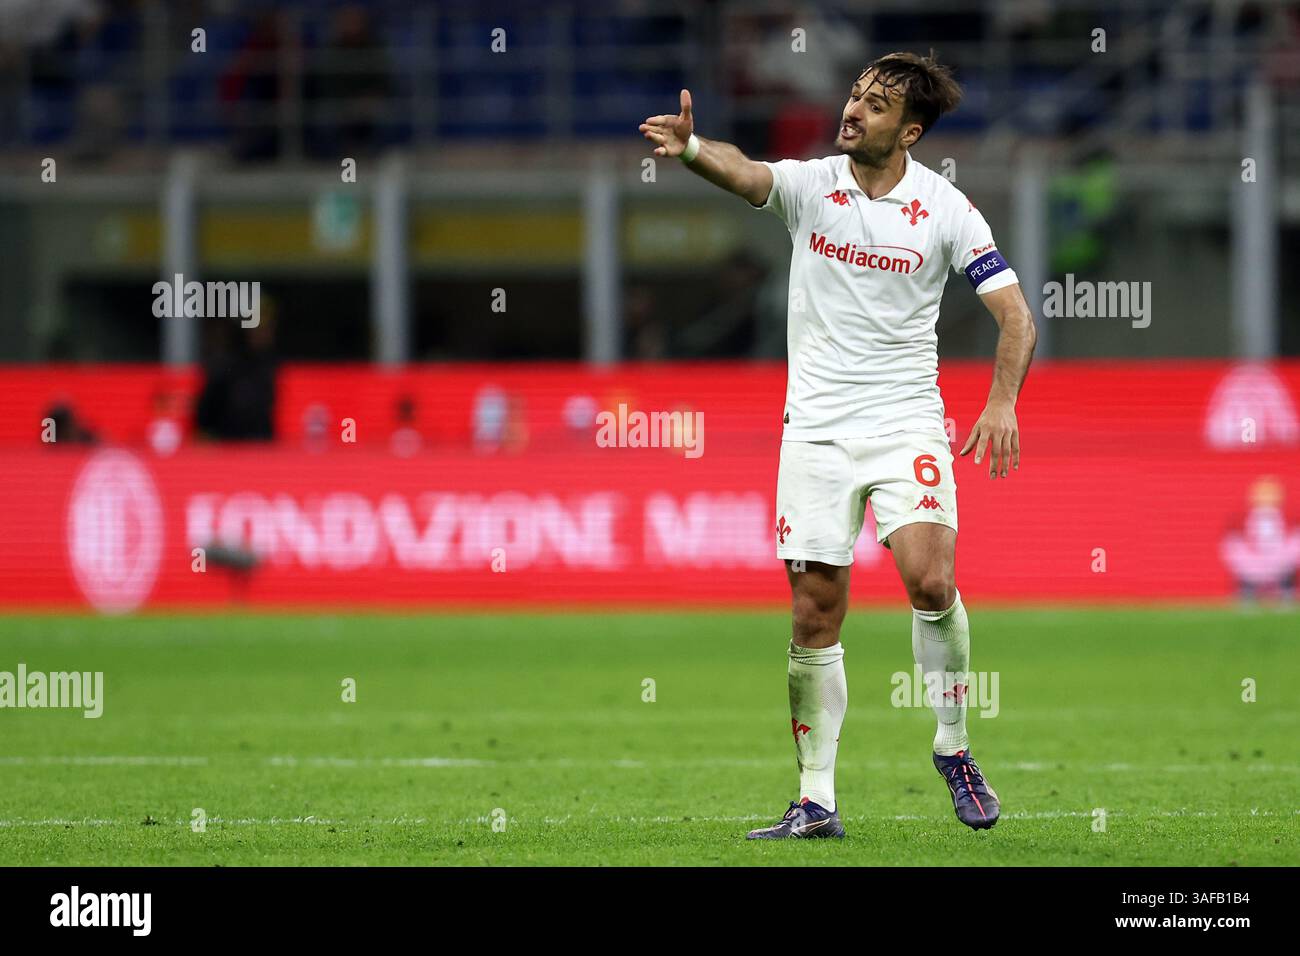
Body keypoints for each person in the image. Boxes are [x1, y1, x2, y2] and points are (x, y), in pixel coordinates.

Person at [639, 51, 1037, 838]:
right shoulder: (811, 185)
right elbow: (746, 173)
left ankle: (954, 746)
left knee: (930, 580)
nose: (854, 109)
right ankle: (815, 801)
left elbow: (1017, 315)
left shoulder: (948, 211)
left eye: (878, 104)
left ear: (910, 130)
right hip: (815, 431)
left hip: (905, 423)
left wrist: (1000, 403)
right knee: (815, 613)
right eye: (855, 93)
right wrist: (691, 149)